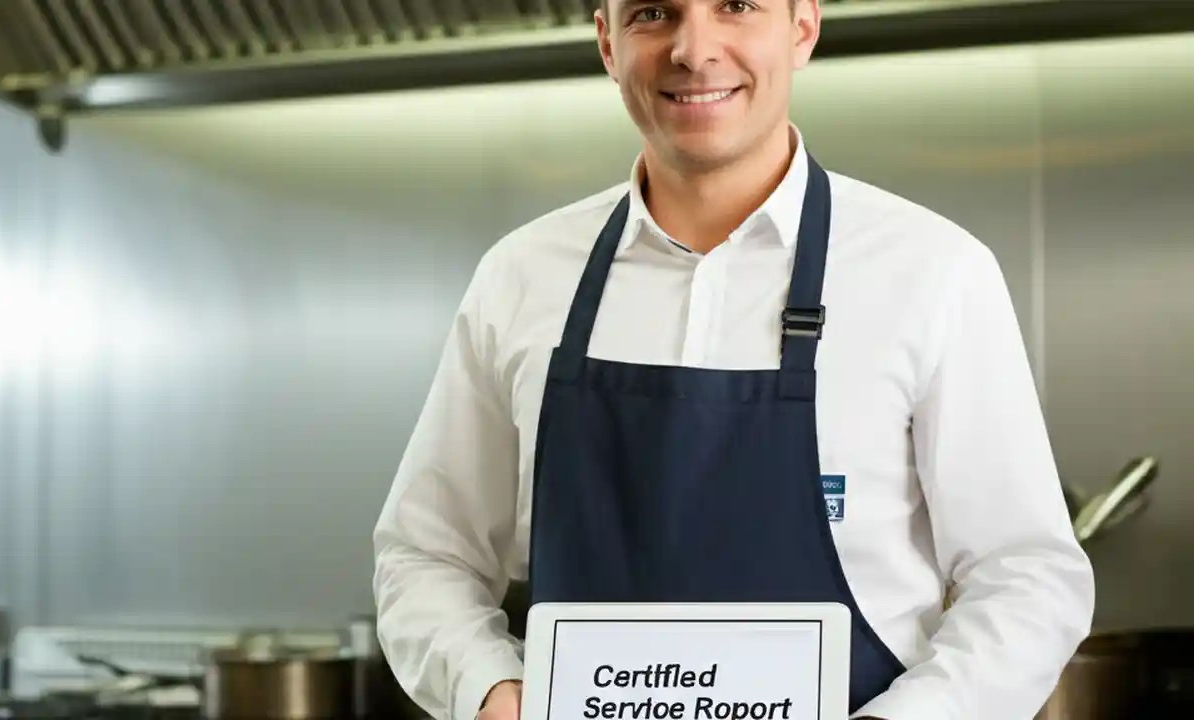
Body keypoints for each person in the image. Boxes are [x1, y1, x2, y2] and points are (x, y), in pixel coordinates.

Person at [372, 0, 1095, 718]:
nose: (694, 48)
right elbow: (426, 555)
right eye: (654, 12)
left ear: (802, 26)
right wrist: (493, 696)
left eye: (737, 6)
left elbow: (1027, 574)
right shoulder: (522, 277)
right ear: (606, 43)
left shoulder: (933, 272)